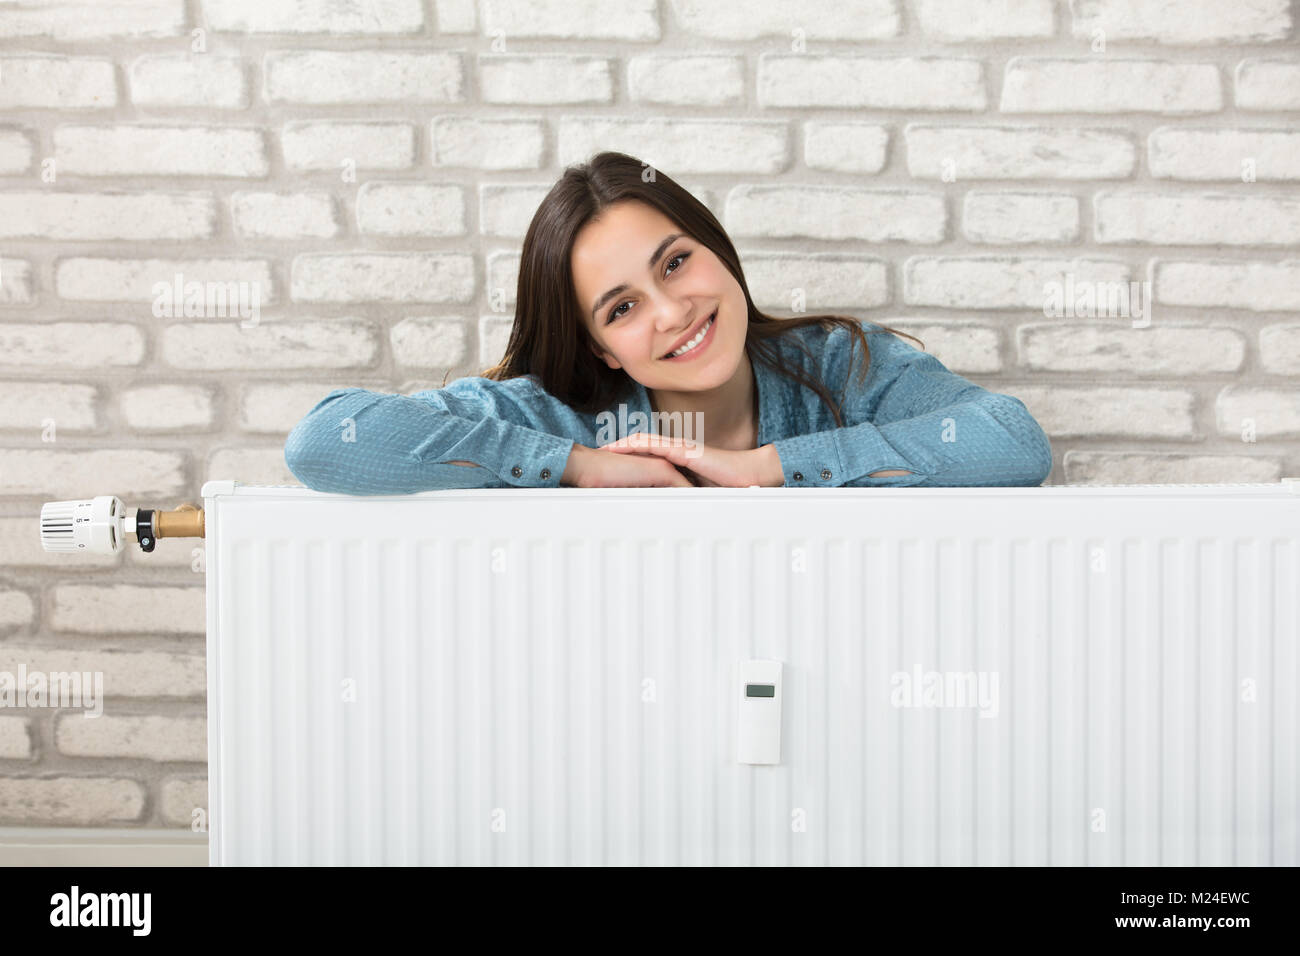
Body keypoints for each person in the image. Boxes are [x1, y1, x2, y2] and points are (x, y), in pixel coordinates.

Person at [284, 151, 1052, 494]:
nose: (672, 311)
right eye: (622, 309)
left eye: (676, 262)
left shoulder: (842, 367)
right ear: (599, 347)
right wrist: (581, 467)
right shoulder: (556, 416)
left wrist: (769, 468)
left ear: (716, 247)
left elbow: (1013, 442)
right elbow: (325, 440)